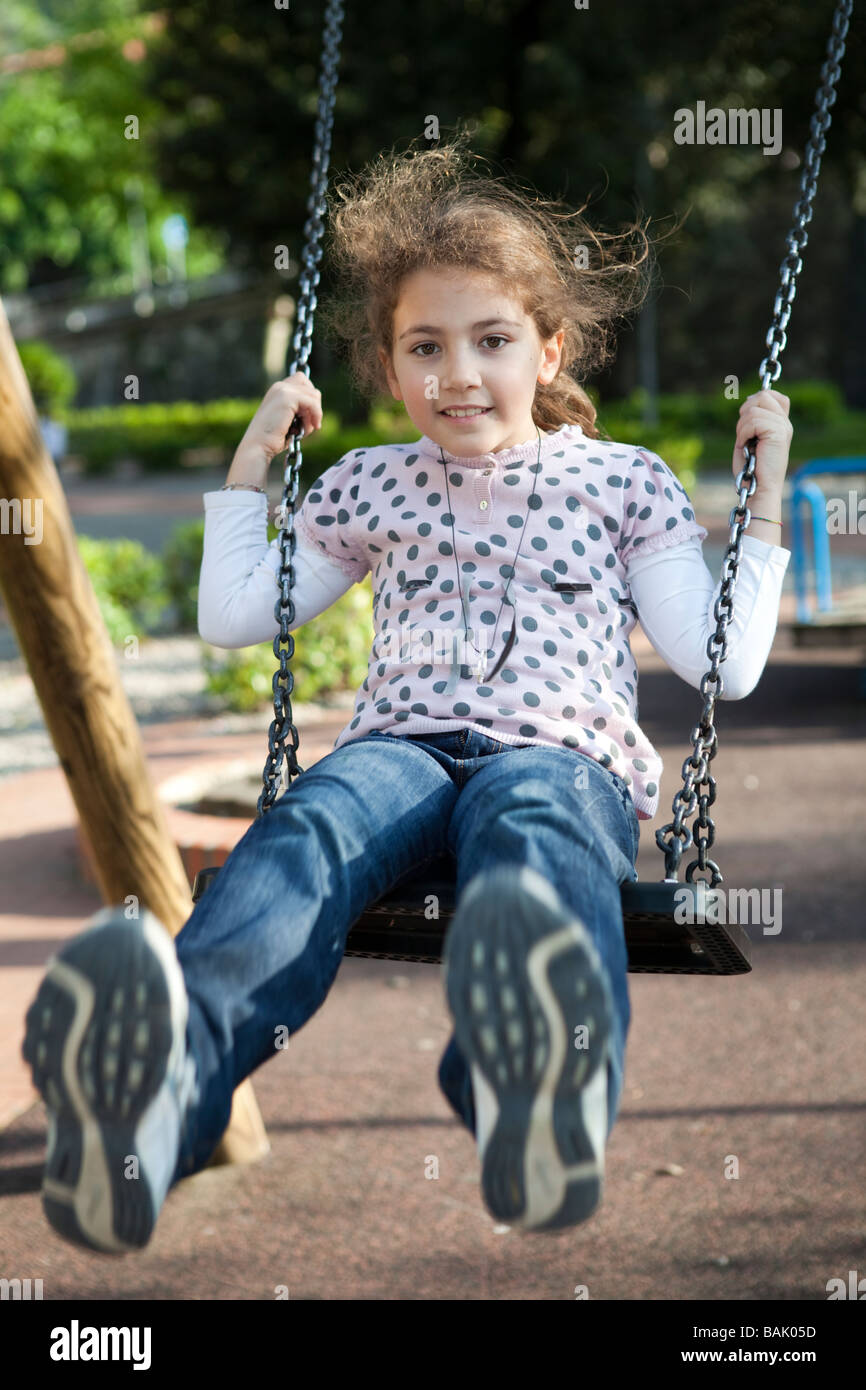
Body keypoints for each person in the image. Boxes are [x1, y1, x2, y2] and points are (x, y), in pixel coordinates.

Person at [22, 136, 792, 1253]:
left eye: (489, 341)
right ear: (387, 369)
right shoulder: (373, 480)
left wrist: (762, 502)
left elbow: (720, 661)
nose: (457, 374)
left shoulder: (621, 480)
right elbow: (239, 612)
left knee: (536, 838)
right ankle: (147, 1099)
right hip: (401, 751)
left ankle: (526, 1082)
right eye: (423, 347)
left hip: (559, 754)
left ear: (547, 348)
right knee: (302, 835)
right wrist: (252, 462)